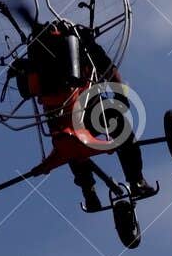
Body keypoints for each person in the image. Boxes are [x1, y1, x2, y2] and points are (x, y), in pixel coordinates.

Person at [14, 18, 153, 212]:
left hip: (63, 121)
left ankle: (90, 192)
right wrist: (122, 98)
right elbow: (111, 72)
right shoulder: (84, 45)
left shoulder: (40, 57)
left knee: (68, 142)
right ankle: (136, 180)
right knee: (112, 125)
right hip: (90, 114)